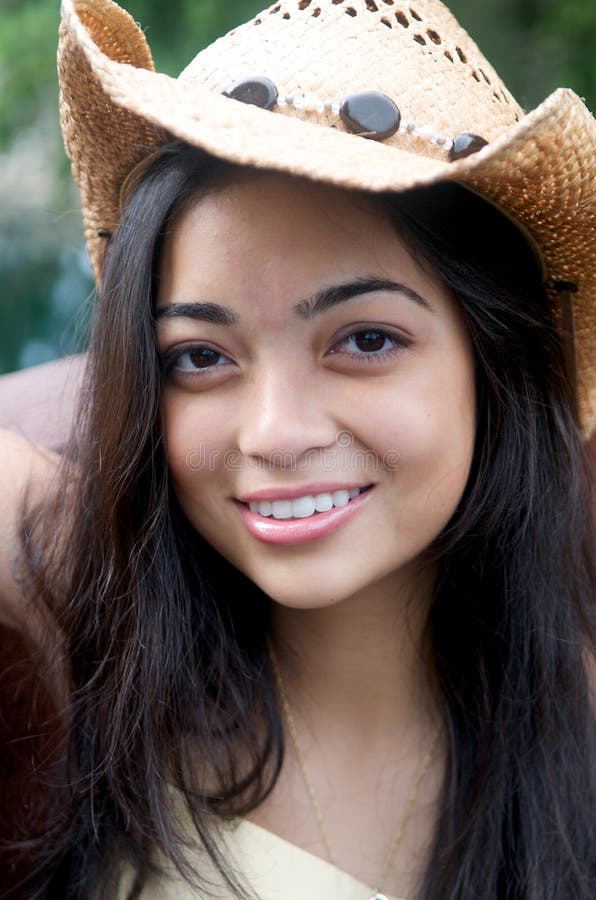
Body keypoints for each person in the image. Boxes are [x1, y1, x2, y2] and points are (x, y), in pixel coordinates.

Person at [0, 0, 594, 897]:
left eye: (364, 341)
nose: (274, 433)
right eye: (201, 357)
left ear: (497, 356)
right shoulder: (83, 589)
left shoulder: (577, 722)